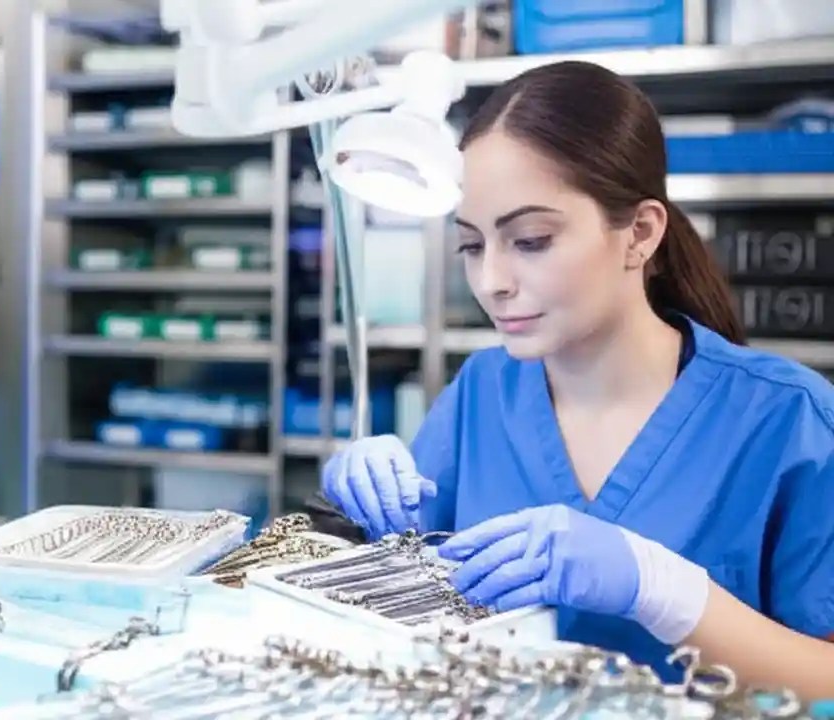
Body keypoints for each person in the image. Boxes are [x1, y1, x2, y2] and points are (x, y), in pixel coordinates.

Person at [321, 60, 834, 700]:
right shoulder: (482, 391)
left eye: (531, 240)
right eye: (473, 246)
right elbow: (416, 579)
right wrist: (365, 511)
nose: (492, 282)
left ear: (639, 234)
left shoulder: (788, 421)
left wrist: (663, 591)